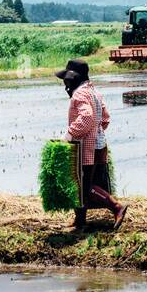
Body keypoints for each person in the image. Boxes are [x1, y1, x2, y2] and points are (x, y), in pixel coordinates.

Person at [57, 59, 126, 230]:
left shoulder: (79, 94)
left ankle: (116, 207)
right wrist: (97, 132)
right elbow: (105, 117)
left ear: (74, 78)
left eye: (67, 79)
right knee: (83, 183)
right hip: (99, 144)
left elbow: (87, 118)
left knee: (83, 186)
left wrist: (70, 134)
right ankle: (80, 220)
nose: (65, 83)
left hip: (87, 147)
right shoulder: (93, 91)